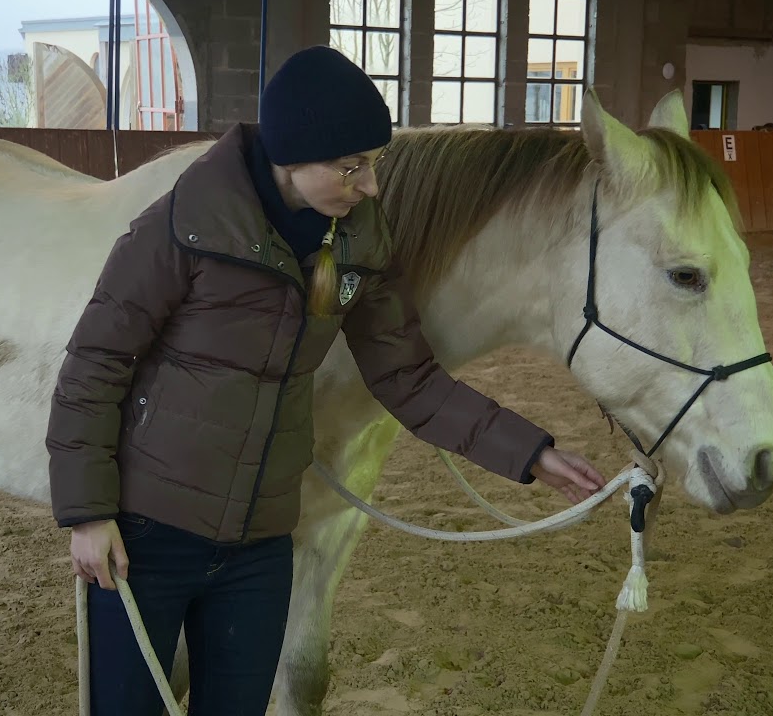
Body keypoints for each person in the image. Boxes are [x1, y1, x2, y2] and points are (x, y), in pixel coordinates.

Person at [45, 45, 606, 716]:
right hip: (148, 536)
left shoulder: (360, 242)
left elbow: (408, 377)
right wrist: (88, 515)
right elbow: (94, 363)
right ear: (293, 158)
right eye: (352, 167)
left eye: (374, 163)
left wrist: (530, 452)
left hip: (260, 546)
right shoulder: (179, 227)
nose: (371, 186)